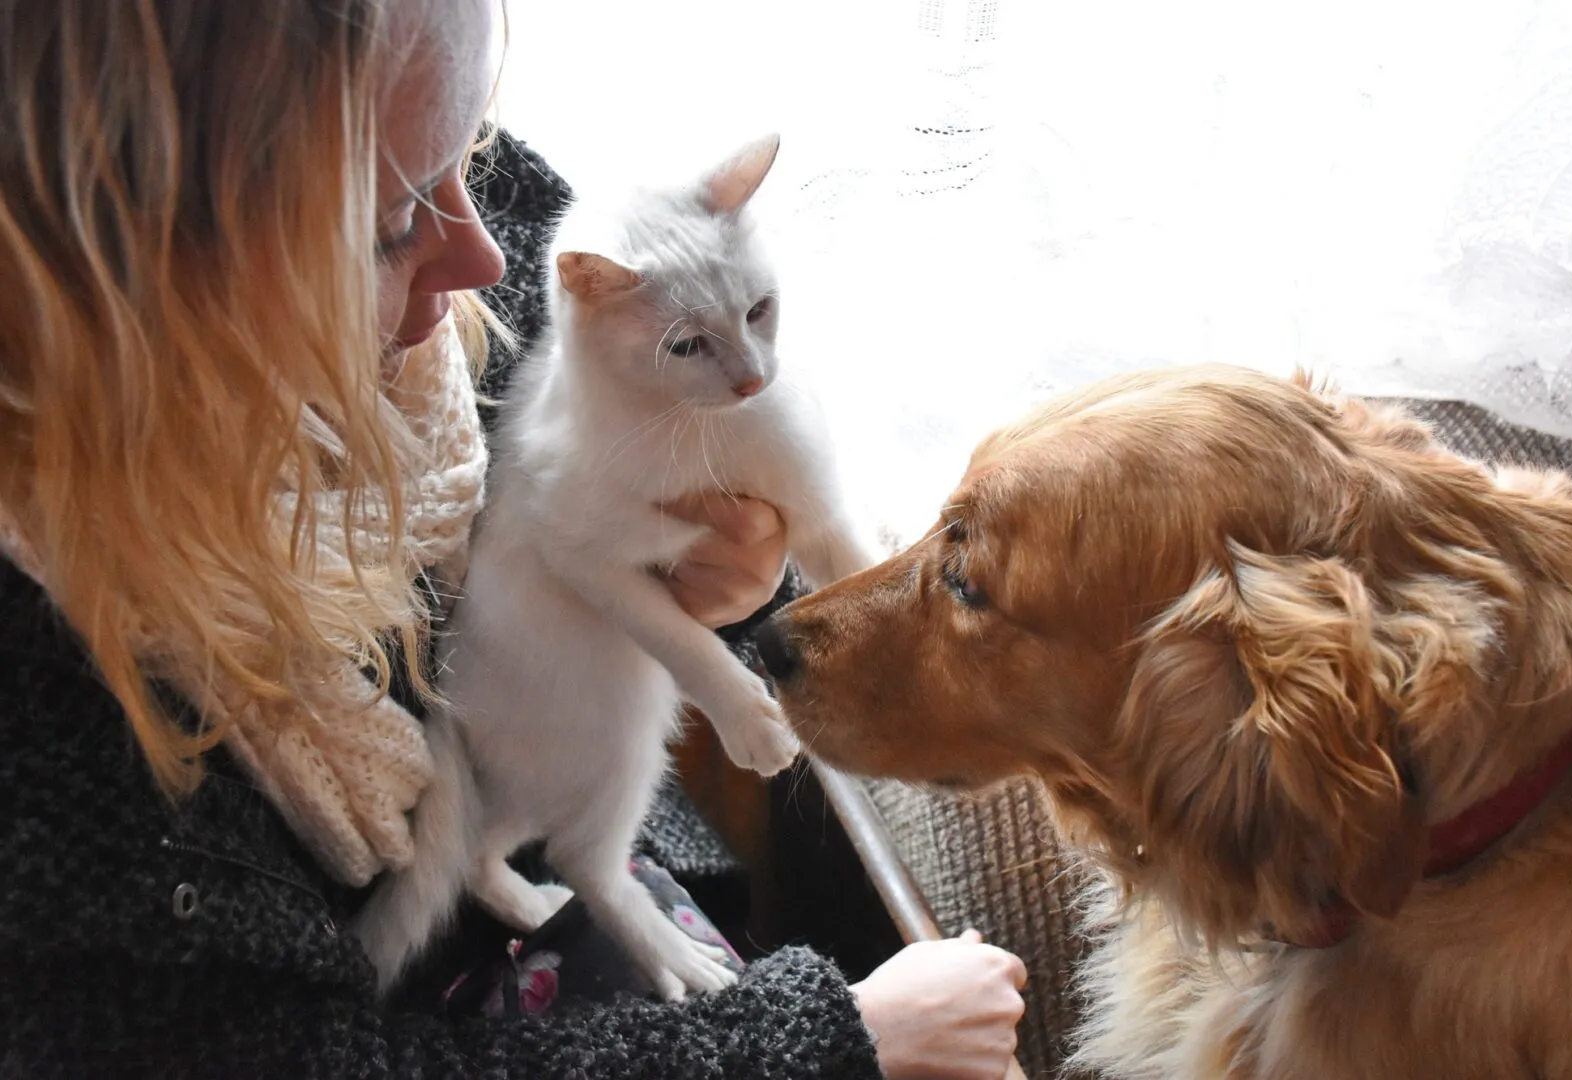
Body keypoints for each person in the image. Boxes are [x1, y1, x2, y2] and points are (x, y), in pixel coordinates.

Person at [0, 2, 1029, 1077]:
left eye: (473, 140)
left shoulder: (431, 188)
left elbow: (652, 442)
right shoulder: (48, 737)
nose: (488, 254)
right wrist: (827, 1045)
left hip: (559, 840)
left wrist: (729, 579)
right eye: (393, 221)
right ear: (121, 285)